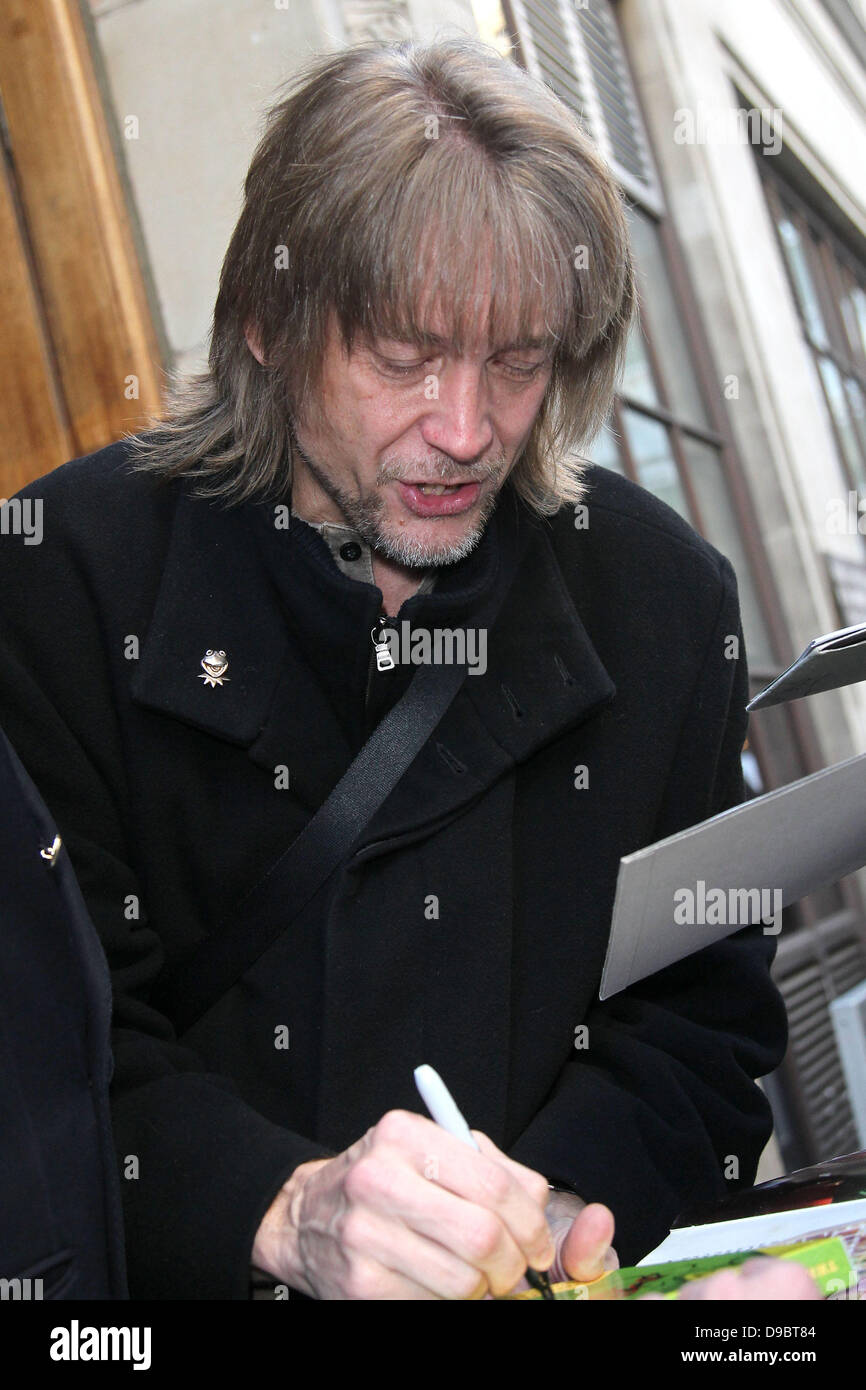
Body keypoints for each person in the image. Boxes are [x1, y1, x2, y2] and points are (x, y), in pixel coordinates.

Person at [0, 35, 787, 1300]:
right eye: (403, 354)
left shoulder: (662, 602)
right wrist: (284, 1208)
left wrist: (555, 1208)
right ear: (267, 322)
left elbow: (703, 1010)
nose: (464, 430)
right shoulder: (58, 583)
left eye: (515, 359)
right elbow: (51, 1053)